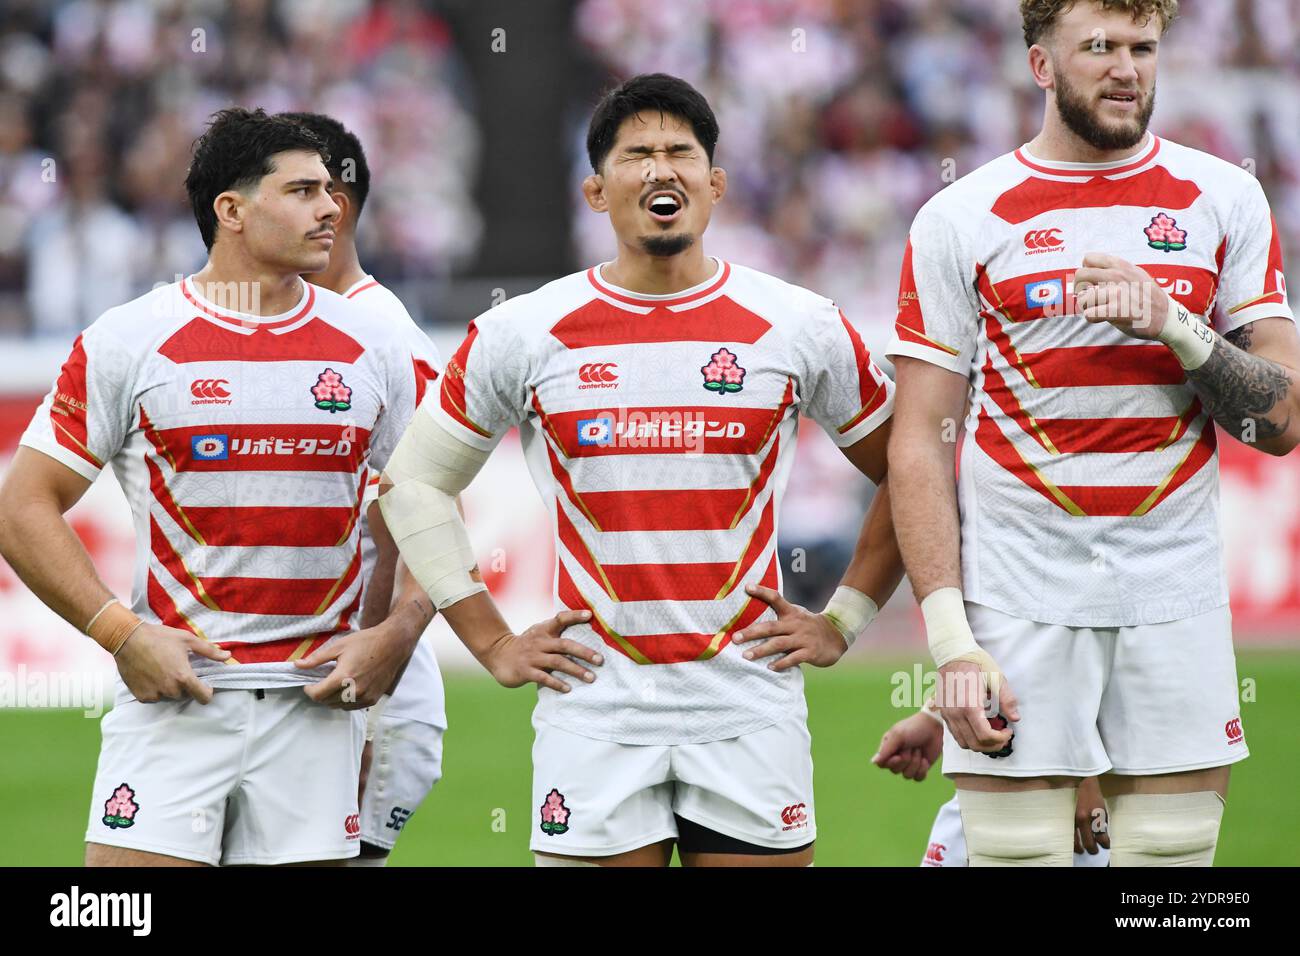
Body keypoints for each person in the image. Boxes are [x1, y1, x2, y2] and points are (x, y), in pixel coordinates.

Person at [378, 73, 904, 867]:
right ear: (596, 190)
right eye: (636, 155)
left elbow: (911, 467)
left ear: (715, 183)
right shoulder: (524, 332)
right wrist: (491, 643)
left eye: (680, 153)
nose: (661, 169)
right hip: (595, 710)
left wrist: (845, 619)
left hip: (745, 702)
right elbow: (413, 483)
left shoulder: (798, 324)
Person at [886, 0, 1296, 866]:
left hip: (1173, 594)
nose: (1126, 68)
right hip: (1018, 597)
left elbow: (1282, 419)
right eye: (1099, 47)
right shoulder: (963, 215)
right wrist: (953, 644)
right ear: (1041, 66)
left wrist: (1179, 328)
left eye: (1143, 46)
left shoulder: (1223, 197)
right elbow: (920, 439)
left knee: (1172, 887)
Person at [0, 108, 429, 866]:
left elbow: (429, 504)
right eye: (302, 190)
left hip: (316, 711)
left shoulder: (378, 343)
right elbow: (23, 506)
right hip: (177, 701)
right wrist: (120, 634)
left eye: (331, 190)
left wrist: (396, 637)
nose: (331, 207)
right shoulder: (129, 339)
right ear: (230, 210)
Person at [282, 110, 449, 866]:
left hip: (362, 699)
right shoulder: (306, 324)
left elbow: (412, 515)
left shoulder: (383, 337)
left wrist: (367, 687)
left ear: (332, 205)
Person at [872, 705, 1110, 866]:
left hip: (1060, 795)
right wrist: (935, 714)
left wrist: (1084, 774)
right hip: (998, 790)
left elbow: (1079, 647)